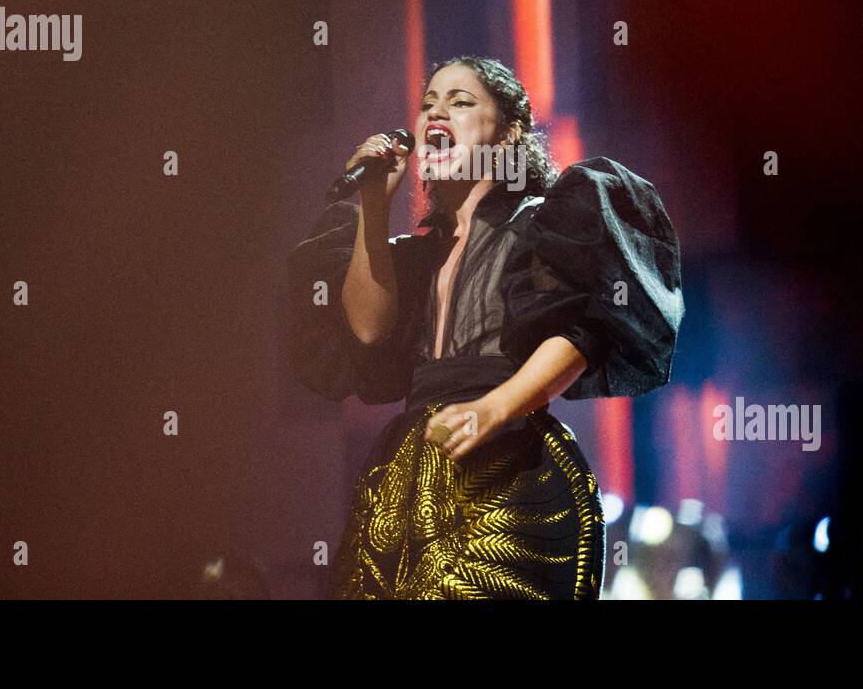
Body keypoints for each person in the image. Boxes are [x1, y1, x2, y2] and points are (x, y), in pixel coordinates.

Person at [286, 56, 684, 599]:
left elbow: (578, 336)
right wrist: (373, 208)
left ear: (508, 135)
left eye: (460, 101)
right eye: (427, 103)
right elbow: (370, 331)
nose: (435, 113)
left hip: (510, 460)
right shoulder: (413, 256)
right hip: (412, 473)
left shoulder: (546, 224)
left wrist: (494, 408)